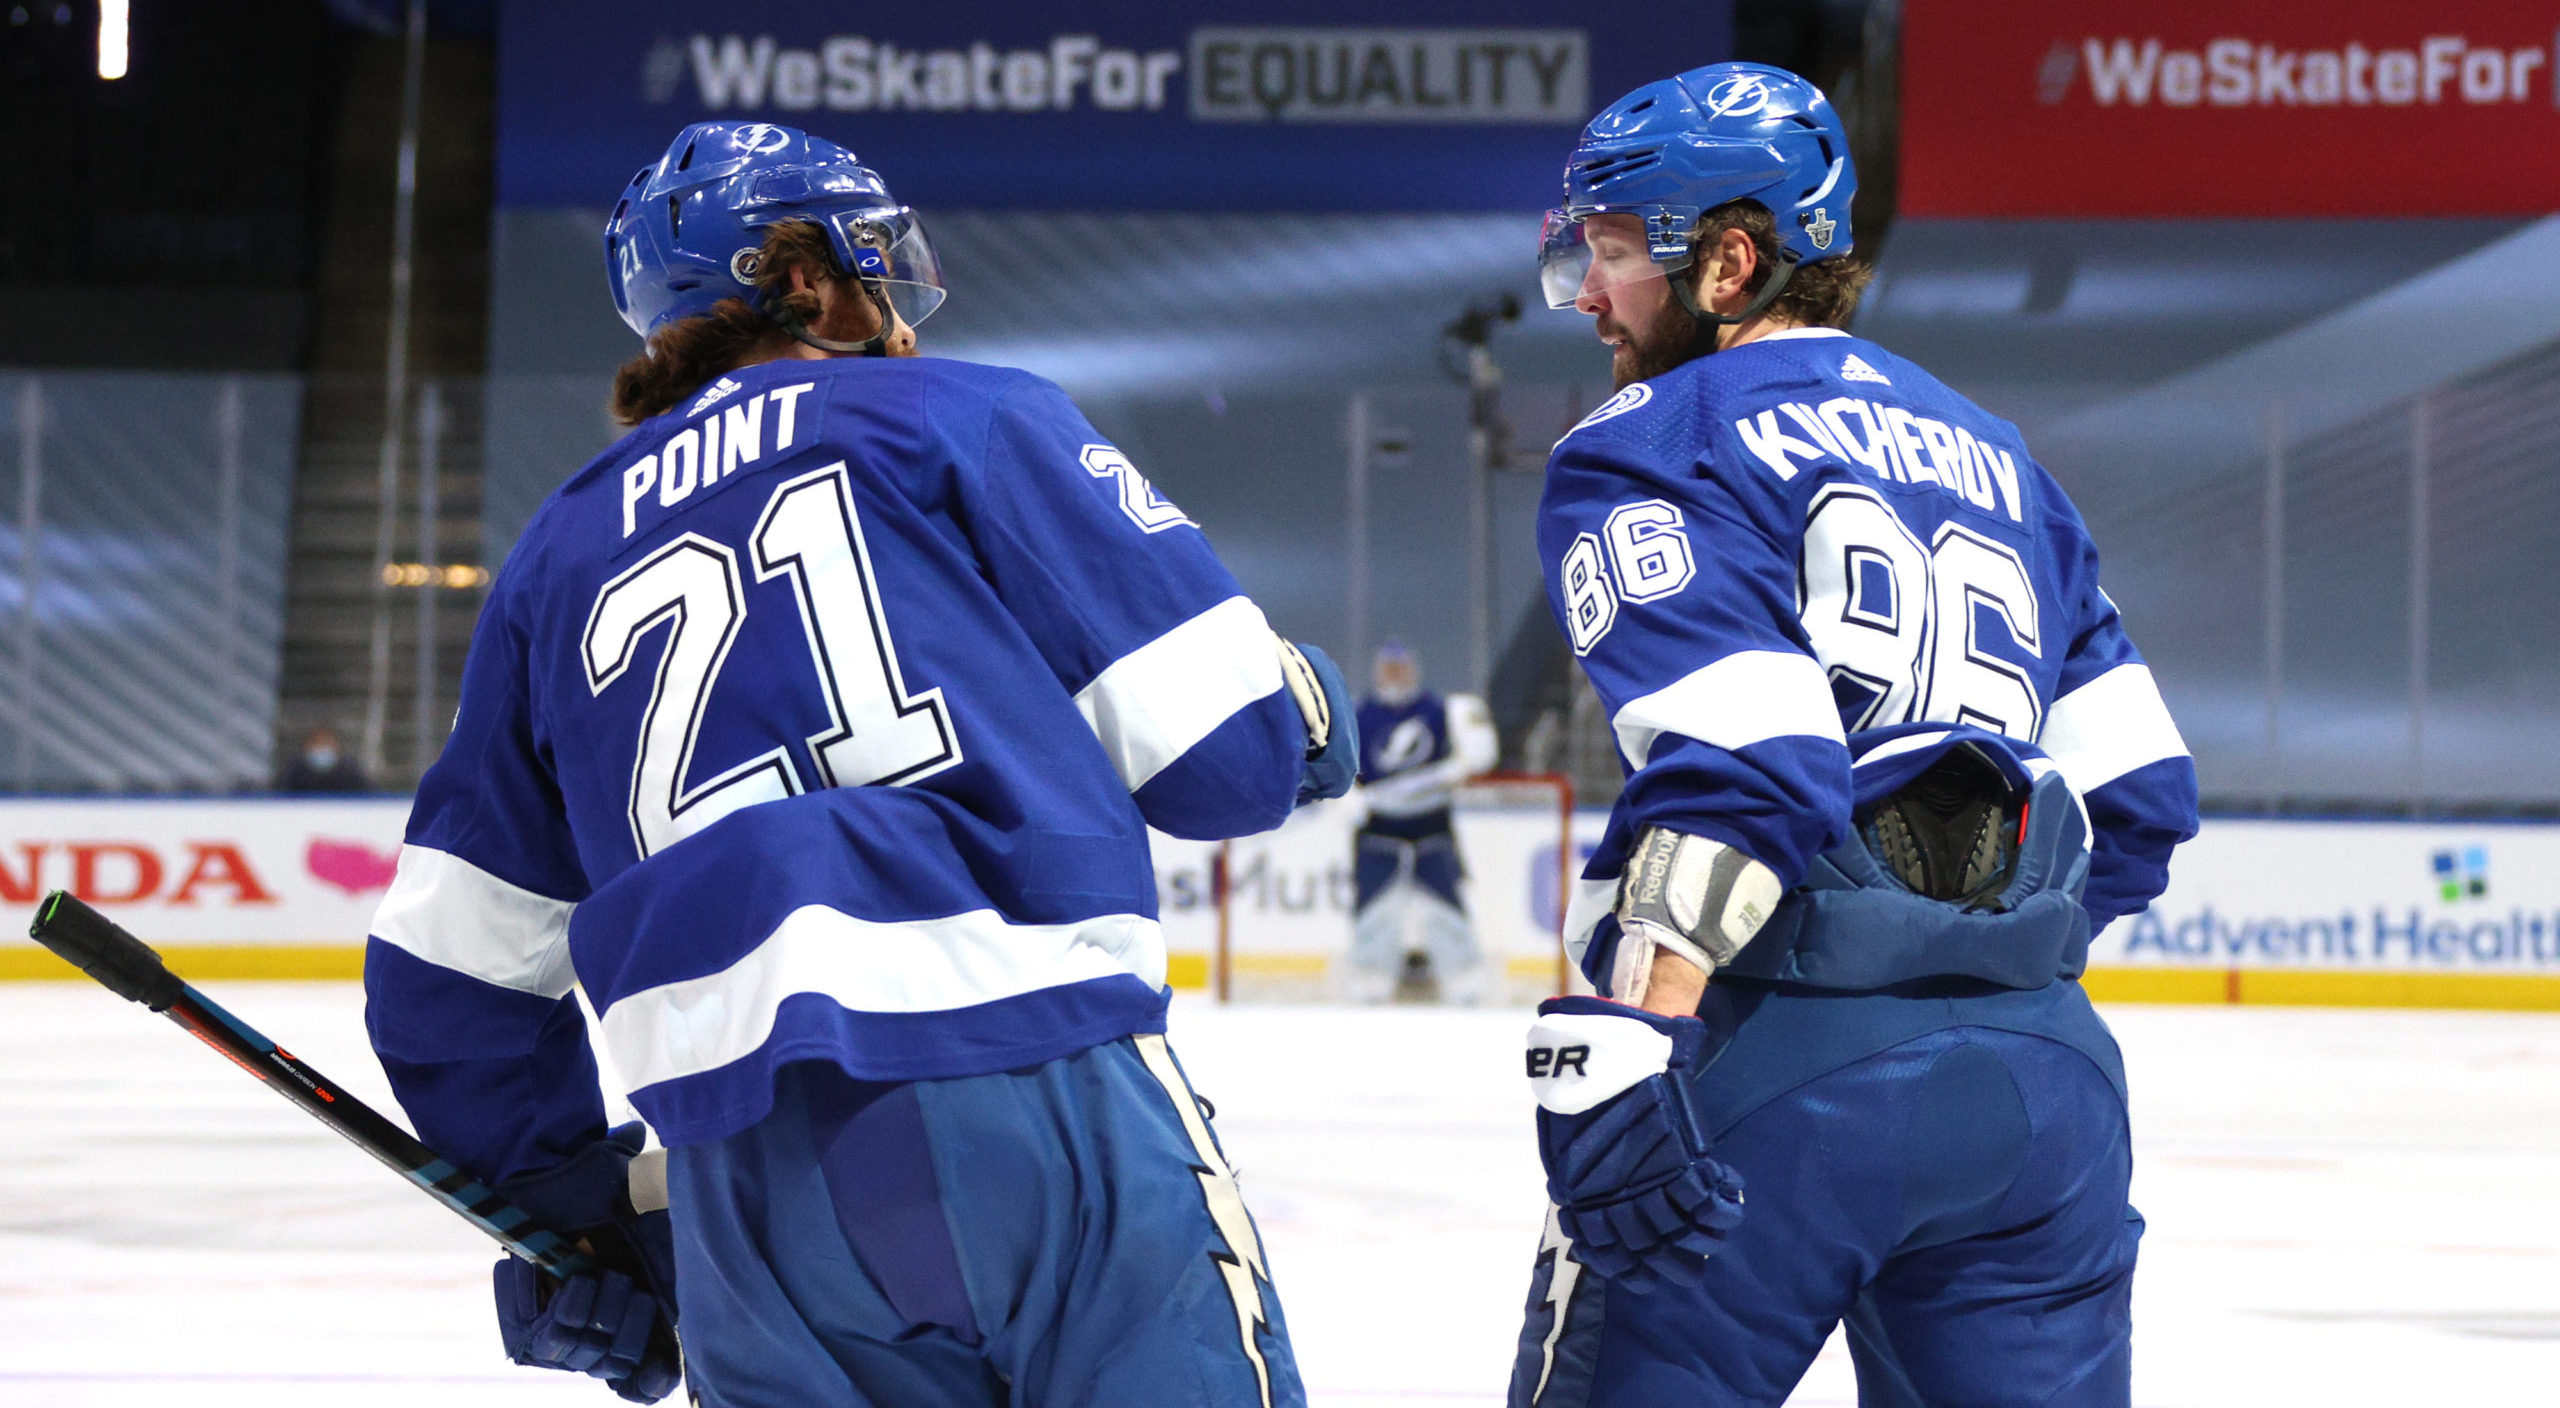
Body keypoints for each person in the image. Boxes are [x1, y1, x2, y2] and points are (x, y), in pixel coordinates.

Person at [360, 121, 1354, 1408]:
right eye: (873, 269)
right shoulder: (967, 416)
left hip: (746, 1198)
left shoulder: (549, 568)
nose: (897, 310)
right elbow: (1228, 757)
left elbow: (445, 984)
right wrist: (1314, 710)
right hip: (1032, 1088)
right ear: (810, 283)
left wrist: (584, 1212)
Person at [1508, 64, 2200, 1408]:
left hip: (1779, 1062)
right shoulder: (2006, 459)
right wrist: (1975, 960)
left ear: (1729, 262)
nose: (1589, 298)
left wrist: (1635, 1040)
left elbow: (1741, 762)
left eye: (1608, 255)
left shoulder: (1653, 437)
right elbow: (2143, 795)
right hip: (2043, 1085)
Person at [1344, 643, 1497, 1003]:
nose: (1396, 674)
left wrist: (1453, 770)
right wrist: (1348, 798)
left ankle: (1466, 989)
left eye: (1402, 667)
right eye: (1389, 668)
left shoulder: (1440, 711)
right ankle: (1368, 991)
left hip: (1432, 831)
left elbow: (1479, 757)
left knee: (1447, 915)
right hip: (1377, 833)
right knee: (1374, 919)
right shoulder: (1357, 715)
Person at [277, 726, 368, 793]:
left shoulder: (350, 774)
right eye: (317, 743)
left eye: (326, 744)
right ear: (307, 747)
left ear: (337, 748)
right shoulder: (293, 773)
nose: (322, 748)